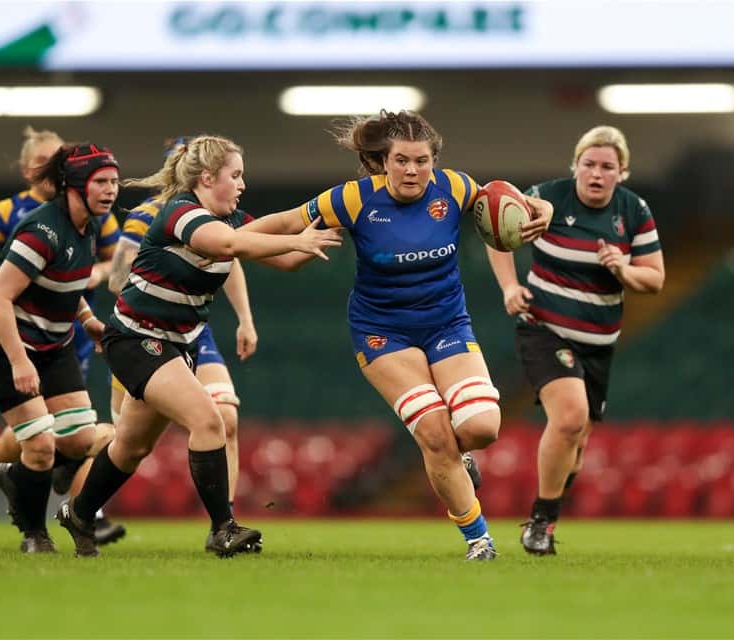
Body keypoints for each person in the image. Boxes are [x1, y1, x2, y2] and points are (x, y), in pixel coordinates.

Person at [235, 110, 553, 561]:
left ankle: (459, 459)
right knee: (435, 435)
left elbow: (506, 203)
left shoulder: (456, 187)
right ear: (382, 162)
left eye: (421, 161)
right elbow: (280, 225)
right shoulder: (351, 199)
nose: (412, 170)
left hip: (447, 325)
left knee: (481, 428)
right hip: (383, 333)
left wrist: (545, 210)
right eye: (401, 160)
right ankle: (478, 539)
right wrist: (227, 243)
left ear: (434, 162)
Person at [55, 134, 342, 557]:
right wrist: (296, 238)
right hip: (137, 339)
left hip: (174, 344)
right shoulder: (181, 212)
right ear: (207, 178)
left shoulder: (225, 218)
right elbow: (229, 246)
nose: (243, 184)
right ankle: (223, 528)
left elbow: (284, 253)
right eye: (236, 175)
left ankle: (78, 513)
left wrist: (338, 217)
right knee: (209, 421)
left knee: (131, 446)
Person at [485, 125, 665, 555]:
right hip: (544, 327)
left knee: (576, 444)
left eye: (607, 167)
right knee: (568, 418)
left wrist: (622, 269)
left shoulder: (634, 211)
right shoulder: (547, 196)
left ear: (622, 173)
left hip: (599, 341)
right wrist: (510, 288)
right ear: (575, 166)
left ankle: (548, 512)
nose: (597, 173)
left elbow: (655, 279)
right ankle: (541, 522)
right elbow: (497, 233)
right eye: (589, 164)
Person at [0, 126, 126, 545]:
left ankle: (16, 477)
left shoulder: (88, 225)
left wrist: (87, 319)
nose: (111, 190)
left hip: (54, 340)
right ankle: (34, 533)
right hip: (2, 343)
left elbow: (66, 282)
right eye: (101, 182)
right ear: (74, 185)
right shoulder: (40, 231)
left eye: (114, 181)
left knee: (84, 440)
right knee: (39, 445)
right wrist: (19, 361)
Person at [108, 139, 259, 540]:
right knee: (125, 441)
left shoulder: (221, 217)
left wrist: (245, 319)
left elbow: (233, 257)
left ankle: (223, 520)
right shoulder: (149, 215)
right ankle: (69, 486)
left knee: (223, 416)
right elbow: (117, 280)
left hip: (194, 331)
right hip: (145, 328)